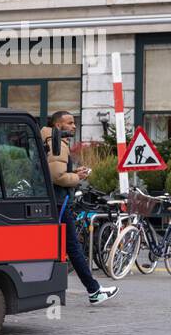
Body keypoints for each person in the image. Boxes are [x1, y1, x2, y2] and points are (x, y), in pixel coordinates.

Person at [42, 111, 117, 305]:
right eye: (70, 123)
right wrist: (78, 178)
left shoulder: (50, 139)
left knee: (62, 246)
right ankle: (94, 291)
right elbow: (56, 177)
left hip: (54, 201)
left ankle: (89, 289)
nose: (74, 126)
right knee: (73, 246)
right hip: (59, 202)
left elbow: (54, 170)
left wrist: (73, 172)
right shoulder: (55, 141)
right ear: (58, 126)